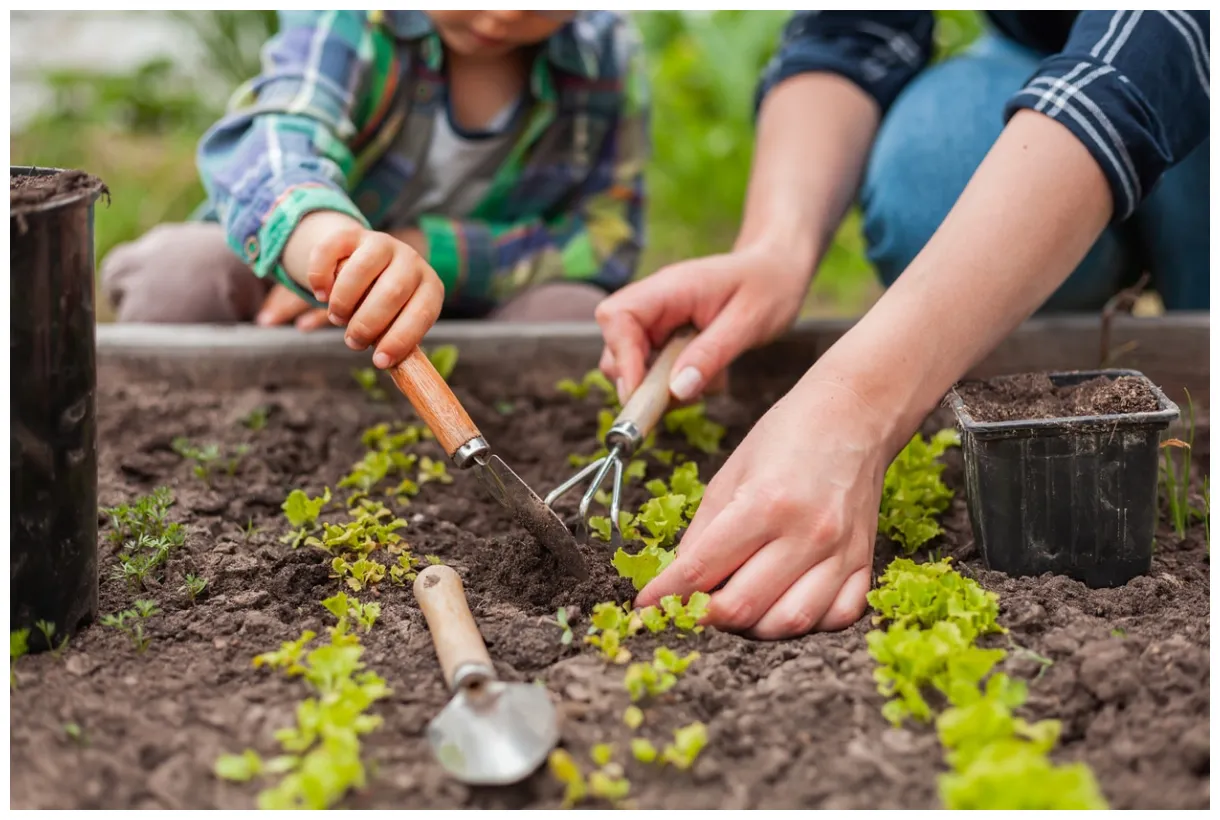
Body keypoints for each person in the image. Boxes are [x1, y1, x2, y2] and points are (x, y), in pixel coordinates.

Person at [596, 11, 1209, 639]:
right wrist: (776, 248)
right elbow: (852, 31)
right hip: (1047, 43)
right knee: (931, 176)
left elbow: (1163, 39)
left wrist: (858, 401)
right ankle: (1066, 255)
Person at [101, 10, 647, 369]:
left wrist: (429, 252)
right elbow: (279, 133)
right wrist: (326, 245)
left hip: (471, 313)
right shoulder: (353, 20)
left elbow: (605, 238)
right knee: (178, 275)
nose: (504, 12)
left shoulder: (606, 56)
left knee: (578, 313)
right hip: (291, 274)